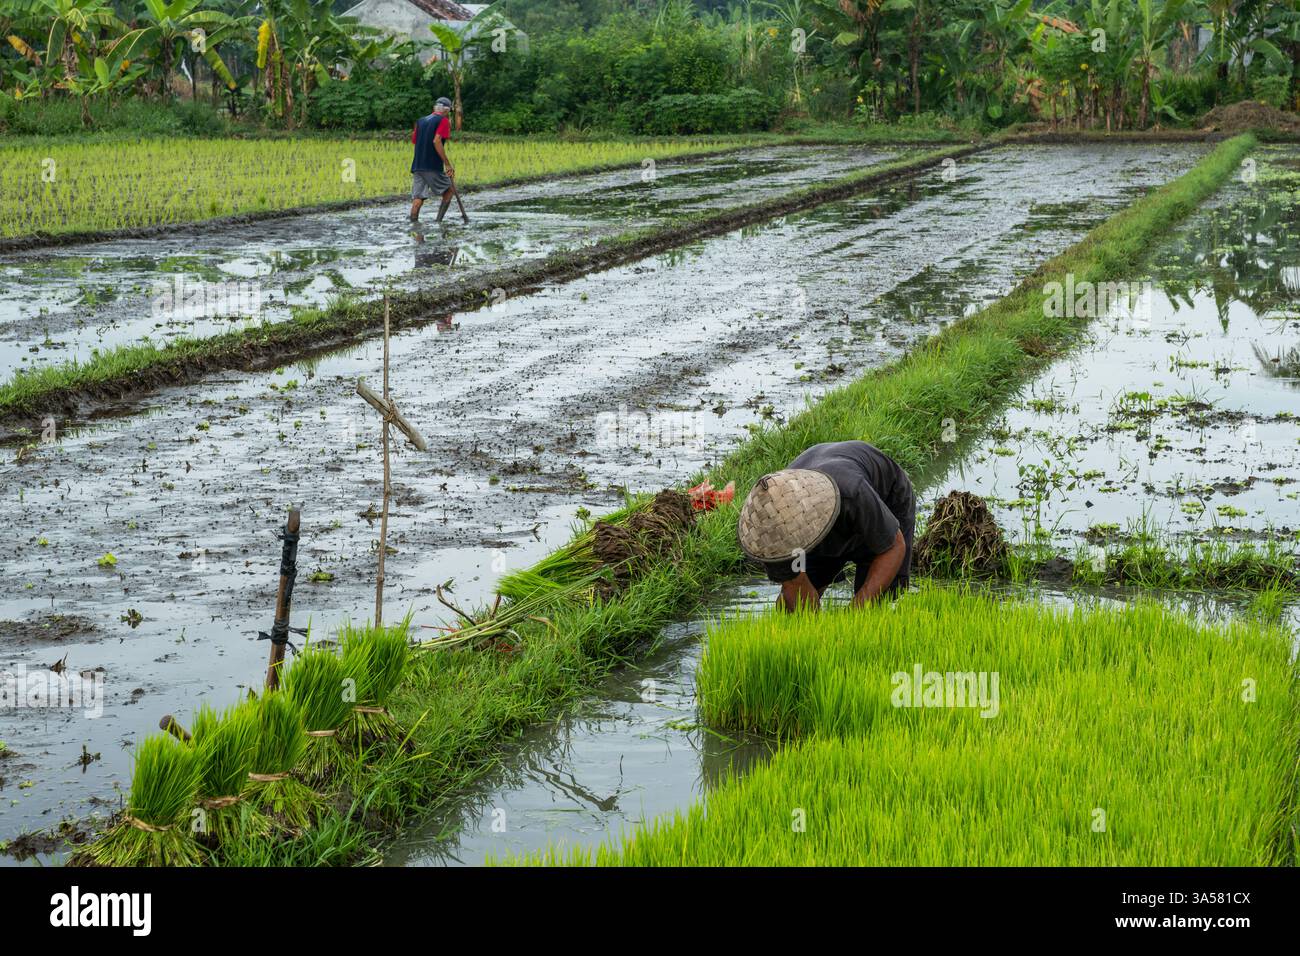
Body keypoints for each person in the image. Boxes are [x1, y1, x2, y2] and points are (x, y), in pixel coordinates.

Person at [737, 440, 914, 611]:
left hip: (881, 499)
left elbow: (894, 547)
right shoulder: (770, 536)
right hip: (815, 519)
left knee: (875, 598)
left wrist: (855, 614)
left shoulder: (853, 493)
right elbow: (795, 588)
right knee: (791, 608)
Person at [409, 97, 457, 224]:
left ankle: (413, 224)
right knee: (449, 190)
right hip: (432, 166)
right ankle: (438, 222)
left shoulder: (421, 121)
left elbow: (415, 141)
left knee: (418, 197)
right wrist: (447, 164)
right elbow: (436, 141)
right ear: (446, 110)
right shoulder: (443, 121)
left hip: (417, 165)